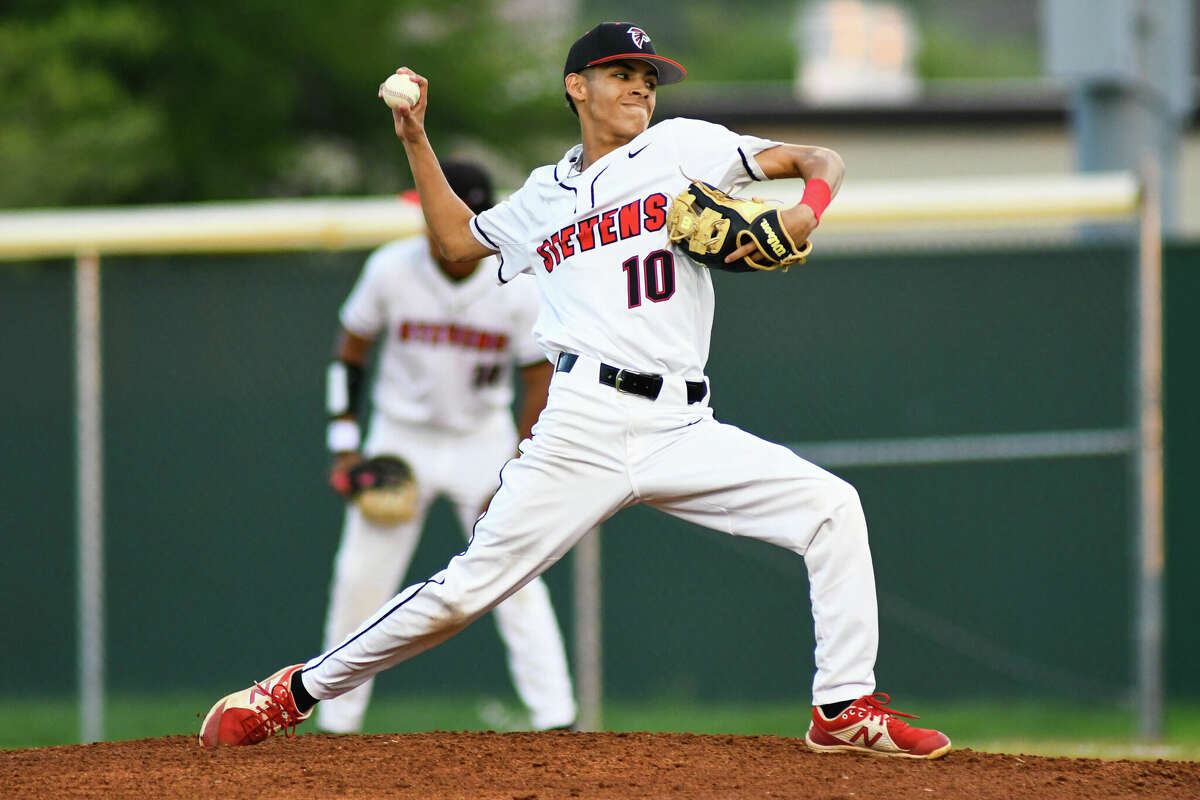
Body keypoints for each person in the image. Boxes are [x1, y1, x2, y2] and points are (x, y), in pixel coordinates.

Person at [199, 21, 951, 759]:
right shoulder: (541, 195)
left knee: (831, 507)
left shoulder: (685, 148)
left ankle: (843, 707)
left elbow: (821, 156)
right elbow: (457, 240)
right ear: (576, 85)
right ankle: (292, 693)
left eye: (649, 78)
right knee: (465, 592)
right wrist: (415, 139)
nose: (640, 87)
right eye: (623, 73)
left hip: (683, 425)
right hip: (583, 423)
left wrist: (802, 212)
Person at [316, 161, 577, 734]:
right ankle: (337, 724)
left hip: (482, 441)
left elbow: (540, 379)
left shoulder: (517, 283)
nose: (430, 220)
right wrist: (345, 444)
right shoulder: (390, 268)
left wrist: (516, 467)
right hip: (399, 439)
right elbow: (350, 351)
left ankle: (556, 720)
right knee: (360, 576)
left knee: (517, 579)